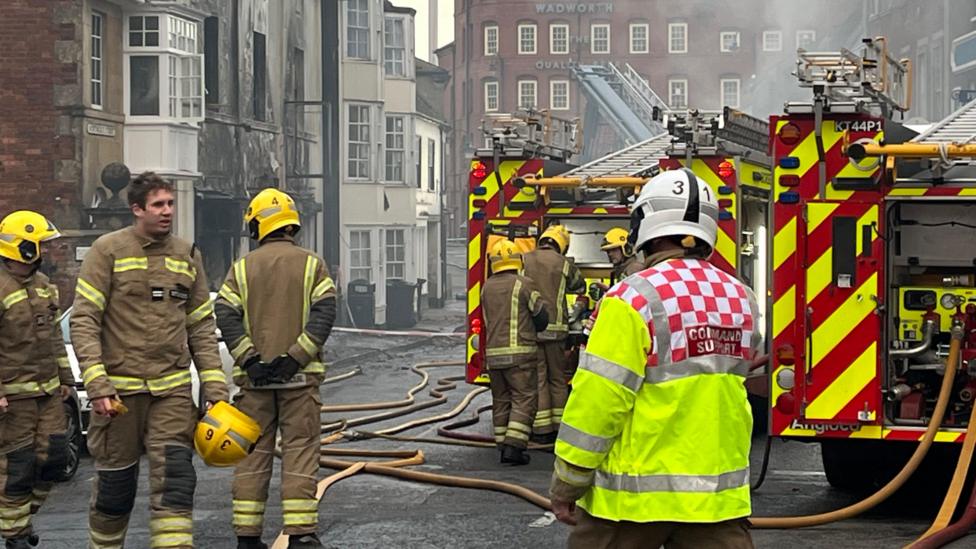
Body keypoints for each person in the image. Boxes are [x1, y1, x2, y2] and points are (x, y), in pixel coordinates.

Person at [549, 168, 761, 549]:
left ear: (645, 225)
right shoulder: (740, 298)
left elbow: (599, 401)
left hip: (631, 504)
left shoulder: (632, 299)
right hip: (715, 504)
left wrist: (569, 482)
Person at [71, 172, 229, 549]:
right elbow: (83, 320)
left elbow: (201, 327)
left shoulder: (188, 255)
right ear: (137, 209)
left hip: (171, 392)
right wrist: (98, 387)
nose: (167, 212)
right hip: (118, 397)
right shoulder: (107, 251)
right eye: (158, 205)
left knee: (176, 482)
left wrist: (215, 387)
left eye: (170, 204)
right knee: (115, 488)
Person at [214, 188, 337, 549]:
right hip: (299, 382)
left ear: (256, 226)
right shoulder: (313, 264)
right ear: (291, 224)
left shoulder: (241, 268)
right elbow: (324, 313)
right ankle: (300, 535)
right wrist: (295, 358)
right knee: (300, 450)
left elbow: (225, 314)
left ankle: (247, 538)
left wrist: (251, 360)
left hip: (254, 387)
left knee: (252, 455)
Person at [0, 211, 73, 549]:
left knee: (55, 458)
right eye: (39, 244)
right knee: (18, 467)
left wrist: (66, 378)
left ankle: (16, 520)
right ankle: (14, 535)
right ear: (22, 247)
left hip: (48, 391)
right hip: (14, 398)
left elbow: (55, 338)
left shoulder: (44, 286)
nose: (45, 251)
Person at [481, 239, 549, 465]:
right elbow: (541, 317)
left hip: (494, 356)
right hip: (520, 355)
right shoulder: (524, 284)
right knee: (523, 399)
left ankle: (502, 444)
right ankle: (514, 448)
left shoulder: (486, 287)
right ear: (518, 260)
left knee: (501, 399)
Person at [521, 225, 584, 443]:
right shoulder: (564, 263)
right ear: (561, 245)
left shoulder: (524, 259)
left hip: (533, 330)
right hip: (557, 333)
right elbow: (579, 286)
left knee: (539, 380)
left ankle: (541, 430)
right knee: (557, 380)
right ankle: (561, 429)